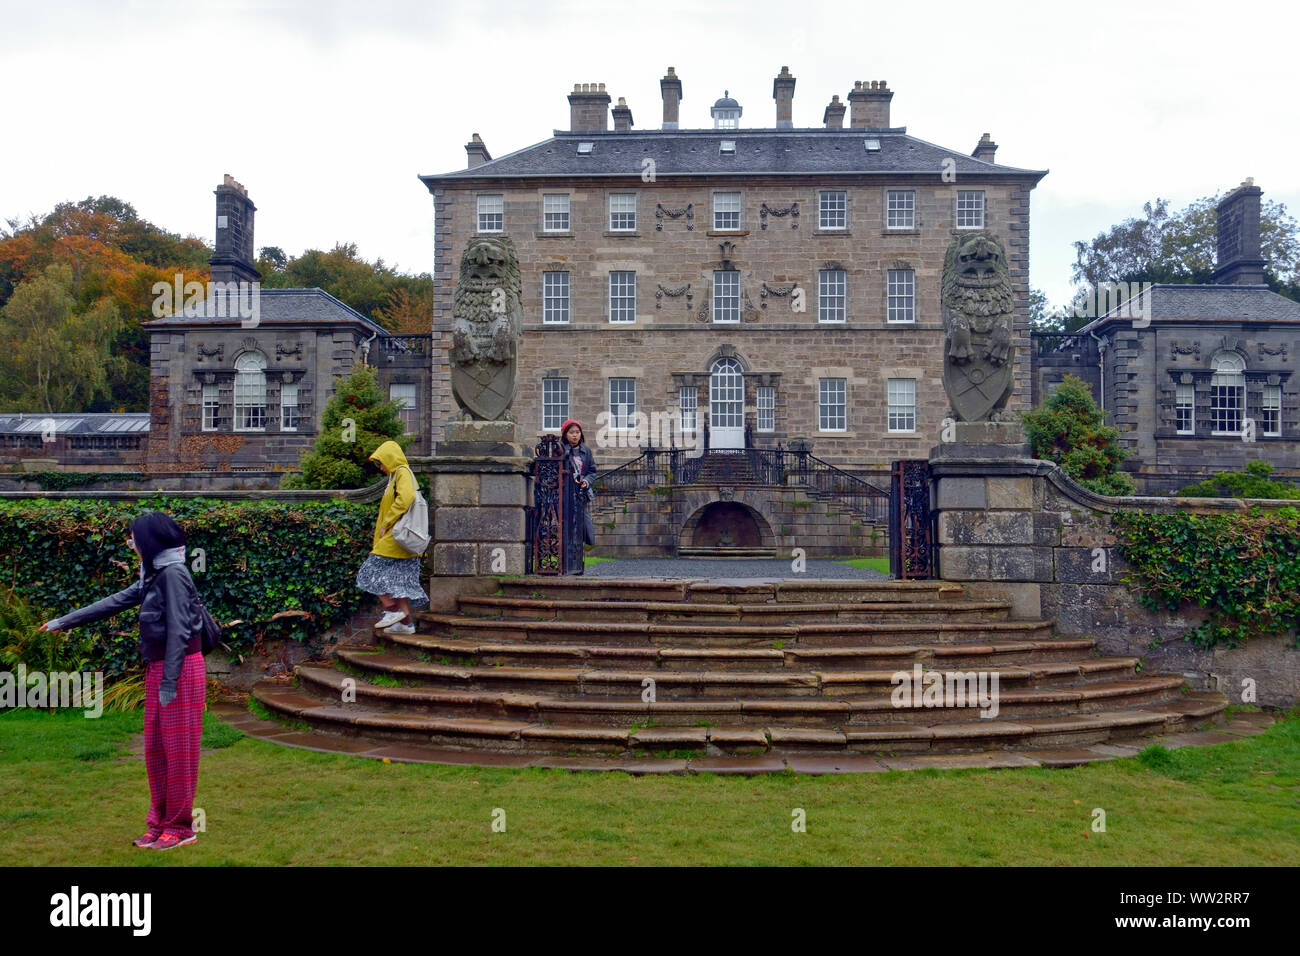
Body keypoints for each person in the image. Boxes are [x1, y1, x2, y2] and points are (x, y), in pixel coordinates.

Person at [39, 511, 205, 851]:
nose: (130, 545)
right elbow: (114, 602)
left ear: (148, 541)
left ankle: (181, 827)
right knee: (156, 751)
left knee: (179, 752)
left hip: (180, 669)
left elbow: (180, 631)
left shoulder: (174, 574)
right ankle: (158, 822)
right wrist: (62, 622)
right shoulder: (153, 573)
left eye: (133, 539)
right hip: (159, 668)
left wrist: (170, 682)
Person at [357, 440, 429, 633]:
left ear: (390, 458)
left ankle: (392, 610)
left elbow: (406, 498)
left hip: (397, 535)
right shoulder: (395, 476)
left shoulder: (402, 472)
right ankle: (406, 624)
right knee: (399, 581)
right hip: (399, 537)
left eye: (381, 461)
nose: (380, 466)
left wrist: (388, 521)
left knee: (368, 573)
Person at [560, 419, 597, 575]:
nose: (575, 435)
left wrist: (586, 482)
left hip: (581, 494)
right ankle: (570, 564)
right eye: (571, 432)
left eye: (577, 432)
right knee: (567, 529)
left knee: (585, 529)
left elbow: (592, 471)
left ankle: (580, 554)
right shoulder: (560, 450)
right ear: (565, 434)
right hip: (565, 493)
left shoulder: (586, 451)